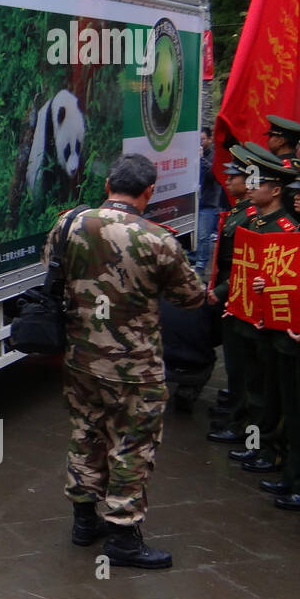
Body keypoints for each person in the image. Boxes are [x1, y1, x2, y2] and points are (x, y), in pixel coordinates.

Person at [46, 153, 205, 569]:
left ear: (107, 185)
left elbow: (52, 268)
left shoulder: (70, 224)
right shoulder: (159, 240)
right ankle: (122, 536)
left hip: (81, 358)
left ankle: (84, 522)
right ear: (148, 192)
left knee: (85, 434)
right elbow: (190, 297)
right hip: (135, 369)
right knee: (131, 444)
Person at [229, 141, 299, 478]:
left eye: (257, 183)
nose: (250, 188)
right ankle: (257, 445)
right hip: (248, 321)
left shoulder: (286, 231)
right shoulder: (253, 223)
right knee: (254, 387)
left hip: (274, 328)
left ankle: (269, 450)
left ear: (274, 190)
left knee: (271, 395)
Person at [207, 158, 255, 445]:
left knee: (242, 365)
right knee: (235, 361)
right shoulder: (240, 211)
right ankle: (236, 413)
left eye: (234, 177)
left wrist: (222, 291)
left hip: (238, 292)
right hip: (231, 290)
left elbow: (244, 264)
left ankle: (242, 425)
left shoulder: (249, 217)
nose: (228, 181)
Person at [194, 127, 220, 276]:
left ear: (210, 139)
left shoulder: (214, 156)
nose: (200, 142)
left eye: (203, 139)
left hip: (208, 201)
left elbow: (213, 175)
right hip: (196, 199)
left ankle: (201, 263)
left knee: (204, 234)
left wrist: (202, 159)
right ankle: (194, 257)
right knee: (196, 233)